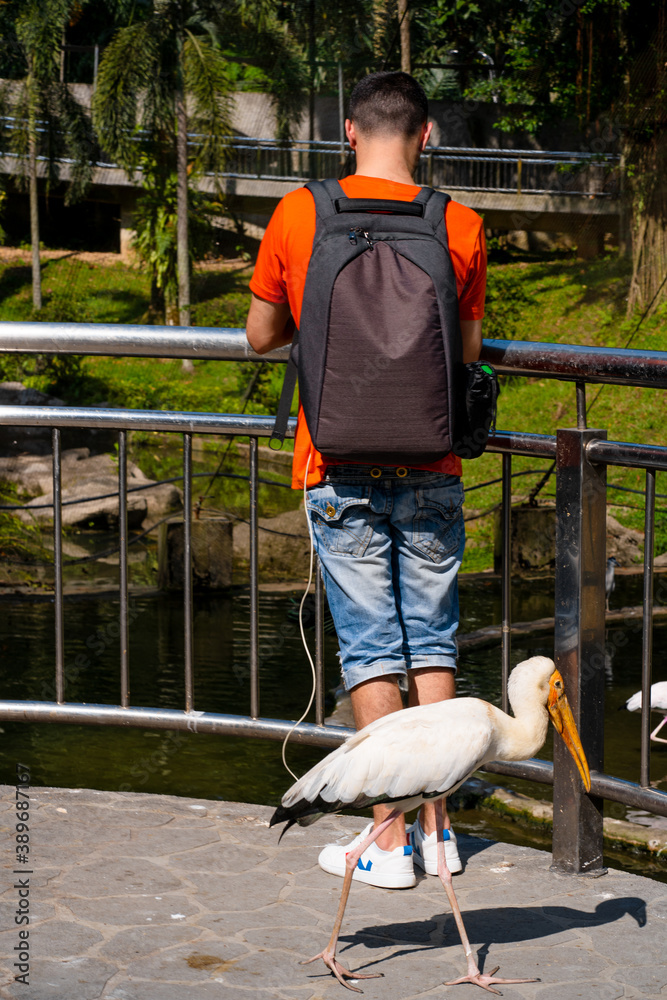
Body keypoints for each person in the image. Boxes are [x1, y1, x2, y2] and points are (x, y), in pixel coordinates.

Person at [246, 71, 486, 889]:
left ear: (349, 131)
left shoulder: (298, 212)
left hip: (335, 463)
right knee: (432, 643)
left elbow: (258, 335)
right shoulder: (460, 223)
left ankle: (386, 845)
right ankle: (439, 831)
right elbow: (467, 358)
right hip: (434, 465)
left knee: (372, 651)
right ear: (427, 137)